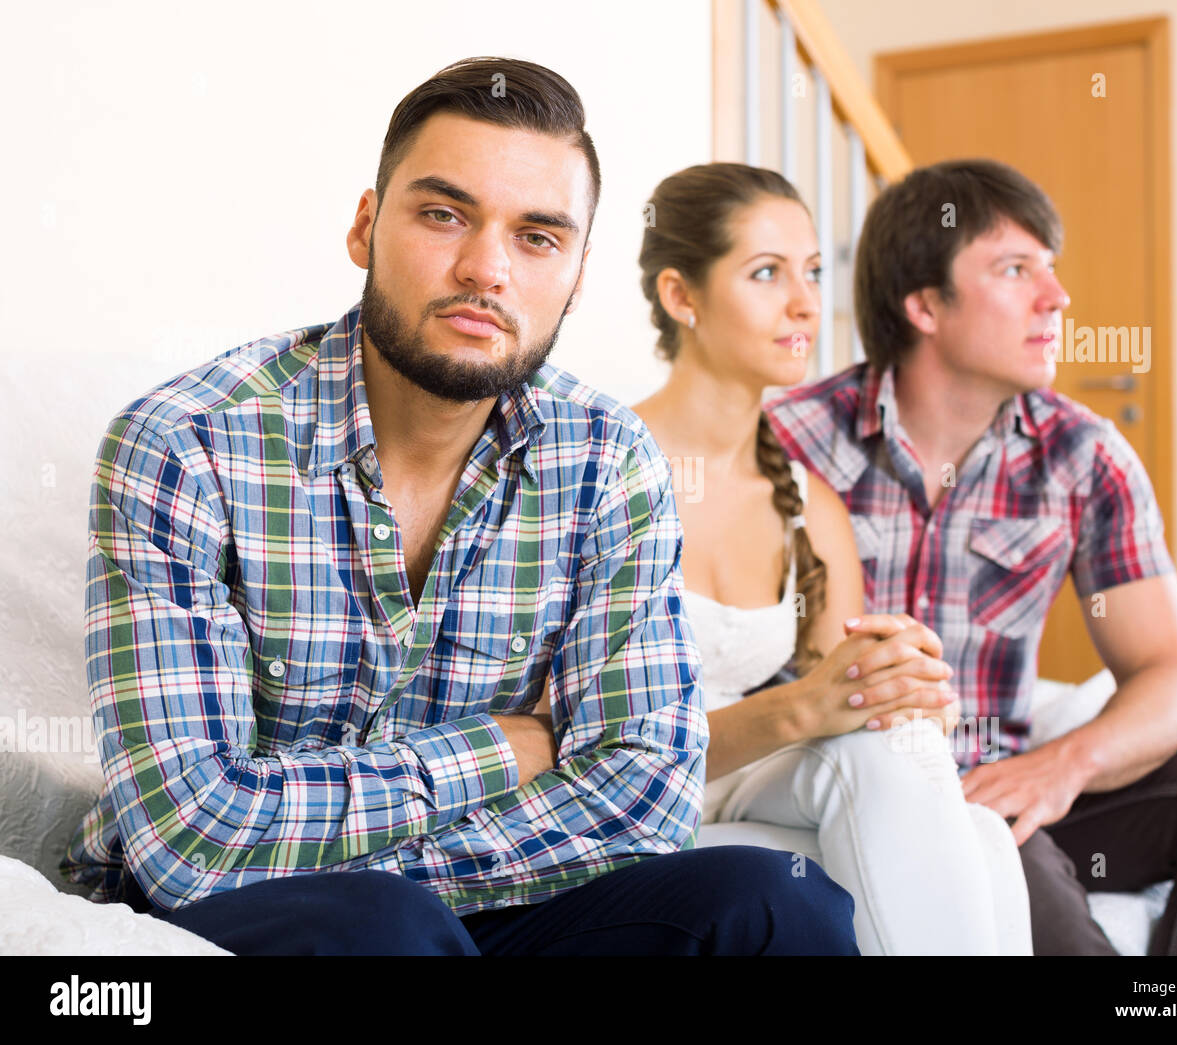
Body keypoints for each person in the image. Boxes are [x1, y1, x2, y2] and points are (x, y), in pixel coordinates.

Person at [58, 57, 859, 957]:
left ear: (578, 274)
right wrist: (503, 751)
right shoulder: (184, 446)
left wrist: (425, 886)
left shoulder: (603, 456)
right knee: (388, 925)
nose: (486, 269)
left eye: (538, 237)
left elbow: (649, 791)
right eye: (444, 215)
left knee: (779, 904)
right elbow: (194, 839)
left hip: (486, 901)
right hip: (238, 913)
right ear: (366, 226)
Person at [764, 157, 1177, 955]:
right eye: (1016, 270)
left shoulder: (1084, 456)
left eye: (1051, 268)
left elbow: (1171, 676)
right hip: (862, 788)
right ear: (923, 304)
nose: (1057, 298)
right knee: (1022, 876)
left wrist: (1061, 767)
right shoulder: (791, 439)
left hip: (1002, 782)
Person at [625, 161, 1033, 954]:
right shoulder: (604, 467)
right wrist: (804, 709)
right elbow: (579, 735)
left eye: (812, 272)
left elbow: (833, 695)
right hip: (638, 804)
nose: (806, 303)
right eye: (767, 273)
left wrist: (896, 691)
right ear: (682, 296)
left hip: (737, 794)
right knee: (954, 830)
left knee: (973, 826)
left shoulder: (808, 504)